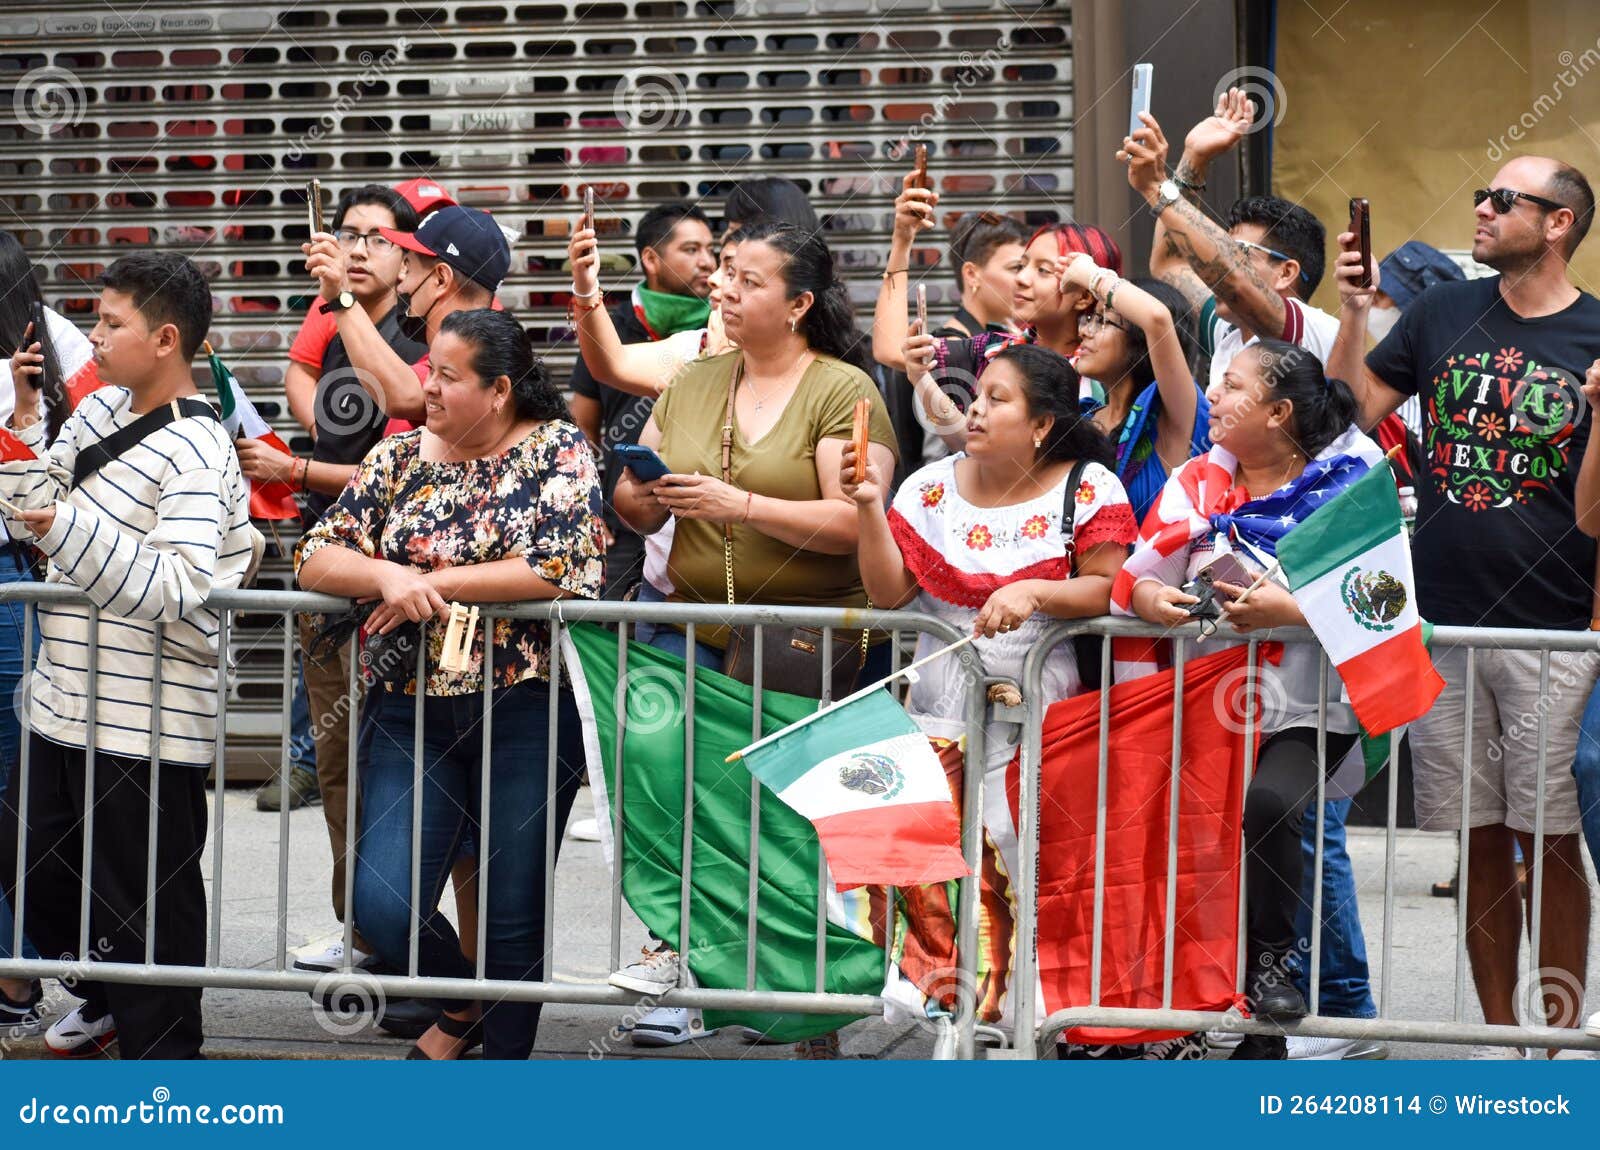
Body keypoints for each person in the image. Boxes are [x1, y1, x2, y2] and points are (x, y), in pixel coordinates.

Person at [611, 221, 897, 1059]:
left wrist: (741, 506)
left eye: (746, 279)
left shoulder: (843, 389)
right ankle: (680, 951)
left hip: (807, 647)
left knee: (788, 831)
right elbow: (636, 500)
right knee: (666, 785)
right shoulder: (692, 381)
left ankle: (814, 1021)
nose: (723, 290)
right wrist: (648, 497)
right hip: (692, 622)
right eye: (723, 275)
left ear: (799, 303)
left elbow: (855, 523)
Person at [1334, 157, 1598, 1057]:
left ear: (1558, 223)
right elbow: (1350, 418)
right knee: (1476, 834)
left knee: (1552, 837)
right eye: (1483, 196)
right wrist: (1356, 316)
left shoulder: (1597, 335)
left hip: (1556, 628)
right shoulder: (1443, 314)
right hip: (1444, 623)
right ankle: (1500, 1034)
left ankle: (1560, 1042)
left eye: (1501, 201)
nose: (1479, 211)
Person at [296, 308, 604, 1060]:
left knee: (511, 910)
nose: (424, 386)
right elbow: (314, 554)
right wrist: (382, 574)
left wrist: (431, 582)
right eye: (429, 369)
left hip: (528, 704)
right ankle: (466, 1002)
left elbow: (560, 566)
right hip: (407, 706)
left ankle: (496, 1070)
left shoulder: (558, 449)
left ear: (499, 390)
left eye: (447, 376)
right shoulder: (399, 456)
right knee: (382, 903)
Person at [0, 252, 256, 1059]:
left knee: (148, 904)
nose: (94, 335)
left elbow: (179, 583)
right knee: (27, 866)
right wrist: (22, 470)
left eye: (113, 323)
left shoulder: (200, 448)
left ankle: (166, 1069)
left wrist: (51, 523)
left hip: (147, 720)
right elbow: (52, 501)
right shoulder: (96, 409)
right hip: (62, 701)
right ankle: (103, 994)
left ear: (166, 338)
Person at [1120, 341, 1379, 1060]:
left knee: (1269, 806)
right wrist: (1154, 598)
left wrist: (1289, 613)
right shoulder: (1196, 480)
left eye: (1230, 386)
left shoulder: (1350, 483)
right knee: (1211, 847)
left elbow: (1384, 600)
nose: (1213, 399)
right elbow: (1141, 571)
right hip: (1210, 701)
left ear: (1278, 411)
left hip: (1311, 701)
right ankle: (1245, 1031)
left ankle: (1274, 970)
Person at [249, 183, 425, 819]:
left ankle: (398, 911)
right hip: (329, 562)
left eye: (377, 239)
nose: (358, 249)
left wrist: (295, 467)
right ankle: (357, 915)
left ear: (407, 260)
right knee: (338, 768)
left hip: (394, 583)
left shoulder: (418, 341)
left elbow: (392, 477)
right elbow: (303, 378)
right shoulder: (328, 321)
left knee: (392, 757)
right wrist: (311, 446)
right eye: (349, 234)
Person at [0, 228, 83, 1037]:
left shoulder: (50, 346)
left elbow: (33, 491)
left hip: (13, 576)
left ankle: (18, 972)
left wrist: (23, 415)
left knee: (9, 782)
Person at [568, 202, 716, 600]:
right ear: (651, 258)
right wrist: (589, 512)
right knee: (610, 645)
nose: (708, 262)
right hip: (624, 523)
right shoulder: (610, 325)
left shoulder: (722, 330)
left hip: (698, 530)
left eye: (710, 249)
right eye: (691, 249)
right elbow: (582, 429)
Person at [303, 204, 511, 424]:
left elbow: (404, 396)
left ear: (441, 279)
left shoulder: (480, 356)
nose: (401, 283)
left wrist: (341, 297)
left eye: (409, 267)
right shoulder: (447, 353)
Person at [1057, 257, 1207, 522]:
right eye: (1090, 318)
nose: (1086, 331)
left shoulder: (1171, 416)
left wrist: (1091, 274)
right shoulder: (1082, 419)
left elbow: (1157, 318)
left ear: (1142, 341)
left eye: (1104, 321)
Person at [886, 210, 1028, 470]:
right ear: (972, 274)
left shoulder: (1010, 336)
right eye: (1016, 268)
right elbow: (948, 454)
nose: (1025, 279)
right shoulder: (946, 349)